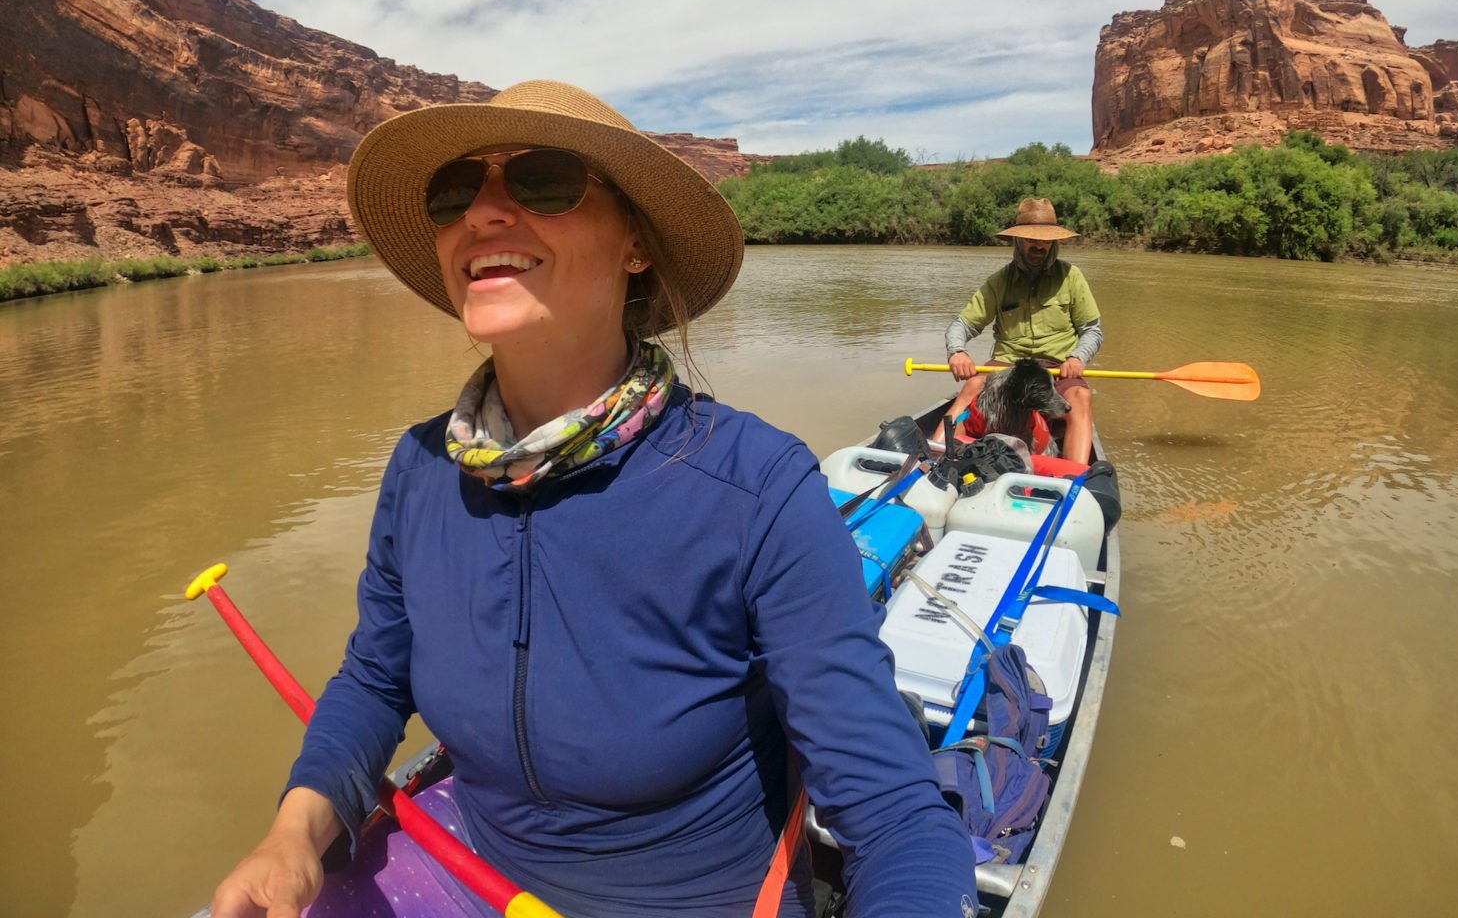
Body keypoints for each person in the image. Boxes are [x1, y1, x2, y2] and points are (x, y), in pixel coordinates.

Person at [208, 80, 976, 918]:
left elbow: (894, 813)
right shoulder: (420, 470)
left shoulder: (758, 487)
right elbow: (375, 680)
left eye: (543, 181)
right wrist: (294, 832)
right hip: (471, 873)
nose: (485, 214)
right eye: (455, 193)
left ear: (635, 245)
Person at [941, 197, 1102, 466]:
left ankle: (1073, 477)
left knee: (1081, 397)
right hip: (1008, 367)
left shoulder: (1072, 277)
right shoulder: (1000, 281)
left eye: (1046, 240)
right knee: (972, 387)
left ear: (1054, 243)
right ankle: (940, 460)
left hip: (1057, 367)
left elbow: (1092, 330)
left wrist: (1078, 358)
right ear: (1018, 241)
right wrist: (957, 351)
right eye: (1031, 238)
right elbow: (963, 325)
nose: (1039, 245)